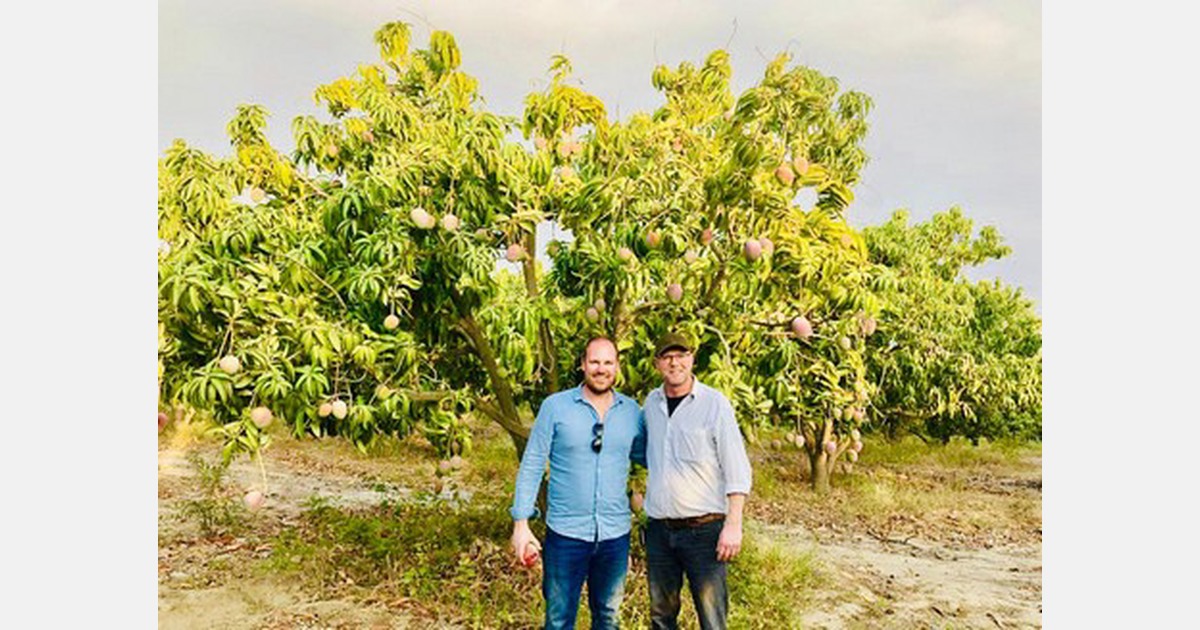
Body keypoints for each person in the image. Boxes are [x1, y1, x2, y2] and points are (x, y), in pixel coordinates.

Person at [510, 336, 647, 630]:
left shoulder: (632, 412)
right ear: (583, 364)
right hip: (565, 534)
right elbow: (533, 462)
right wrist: (521, 523)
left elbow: (645, 459)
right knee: (559, 620)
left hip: (614, 534)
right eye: (595, 361)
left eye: (608, 362)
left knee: (608, 619)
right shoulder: (556, 407)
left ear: (617, 367)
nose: (601, 368)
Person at [640, 331, 753, 630]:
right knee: (661, 616)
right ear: (657, 364)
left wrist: (734, 524)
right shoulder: (650, 404)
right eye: (667, 357)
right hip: (660, 531)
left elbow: (737, 468)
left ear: (692, 359)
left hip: (704, 531)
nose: (674, 363)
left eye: (681, 356)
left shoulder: (715, 404)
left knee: (712, 618)